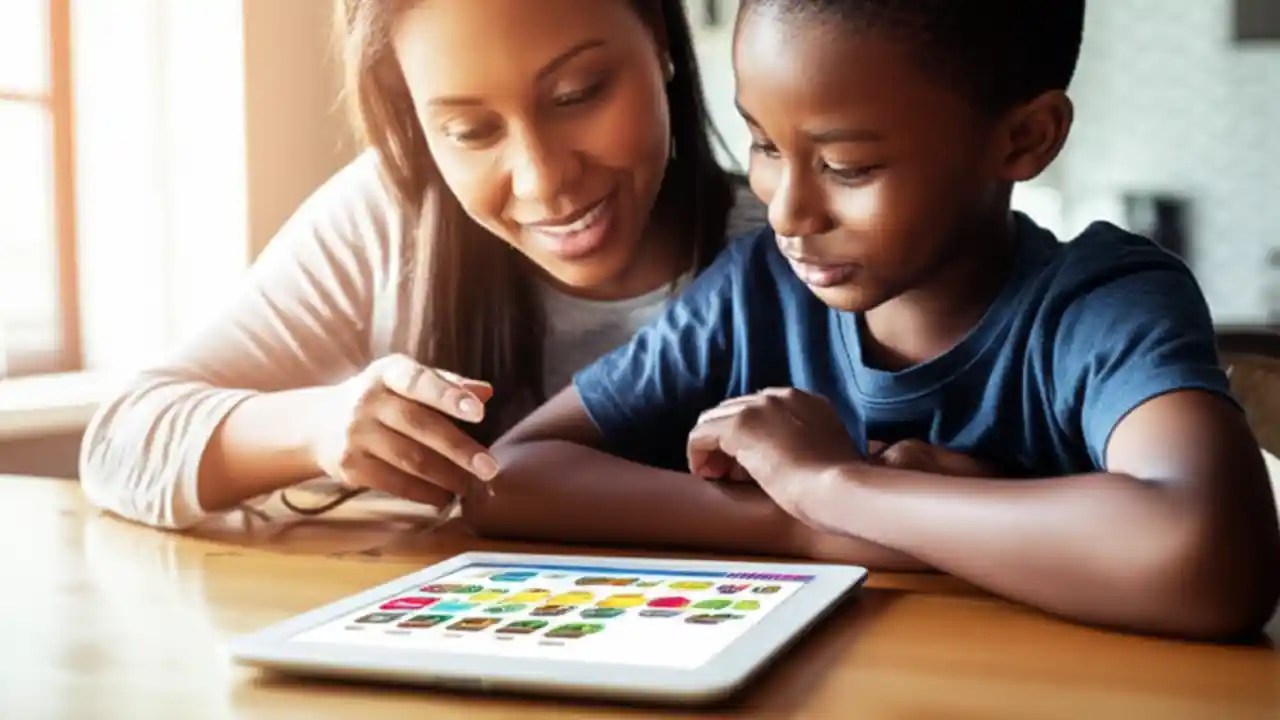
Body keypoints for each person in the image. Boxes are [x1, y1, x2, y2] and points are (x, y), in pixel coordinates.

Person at [474, 0, 1280, 639]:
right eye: (763, 144)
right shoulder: (753, 292)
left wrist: (832, 481)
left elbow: (1214, 558)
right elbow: (505, 477)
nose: (786, 211)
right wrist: (815, 522)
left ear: (1025, 139)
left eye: (846, 167)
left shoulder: (1102, 304)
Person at [78, 0, 765, 529]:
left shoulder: (790, 247)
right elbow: (118, 444)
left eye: (577, 94)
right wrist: (320, 427)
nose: (541, 180)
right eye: (470, 131)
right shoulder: (389, 221)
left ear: (660, 40)